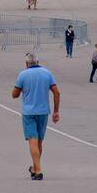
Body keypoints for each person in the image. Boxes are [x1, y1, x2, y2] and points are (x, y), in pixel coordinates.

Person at [12, 52, 60, 180]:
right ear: (38, 62)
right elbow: (56, 92)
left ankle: (38, 171)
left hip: (29, 112)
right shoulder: (47, 73)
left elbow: (14, 94)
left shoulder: (23, 75)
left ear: (26, 63)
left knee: (33, 141)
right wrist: (56, 111)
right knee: (39, 142)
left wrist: (23, 89)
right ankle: (35, 167)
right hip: (43, 111)